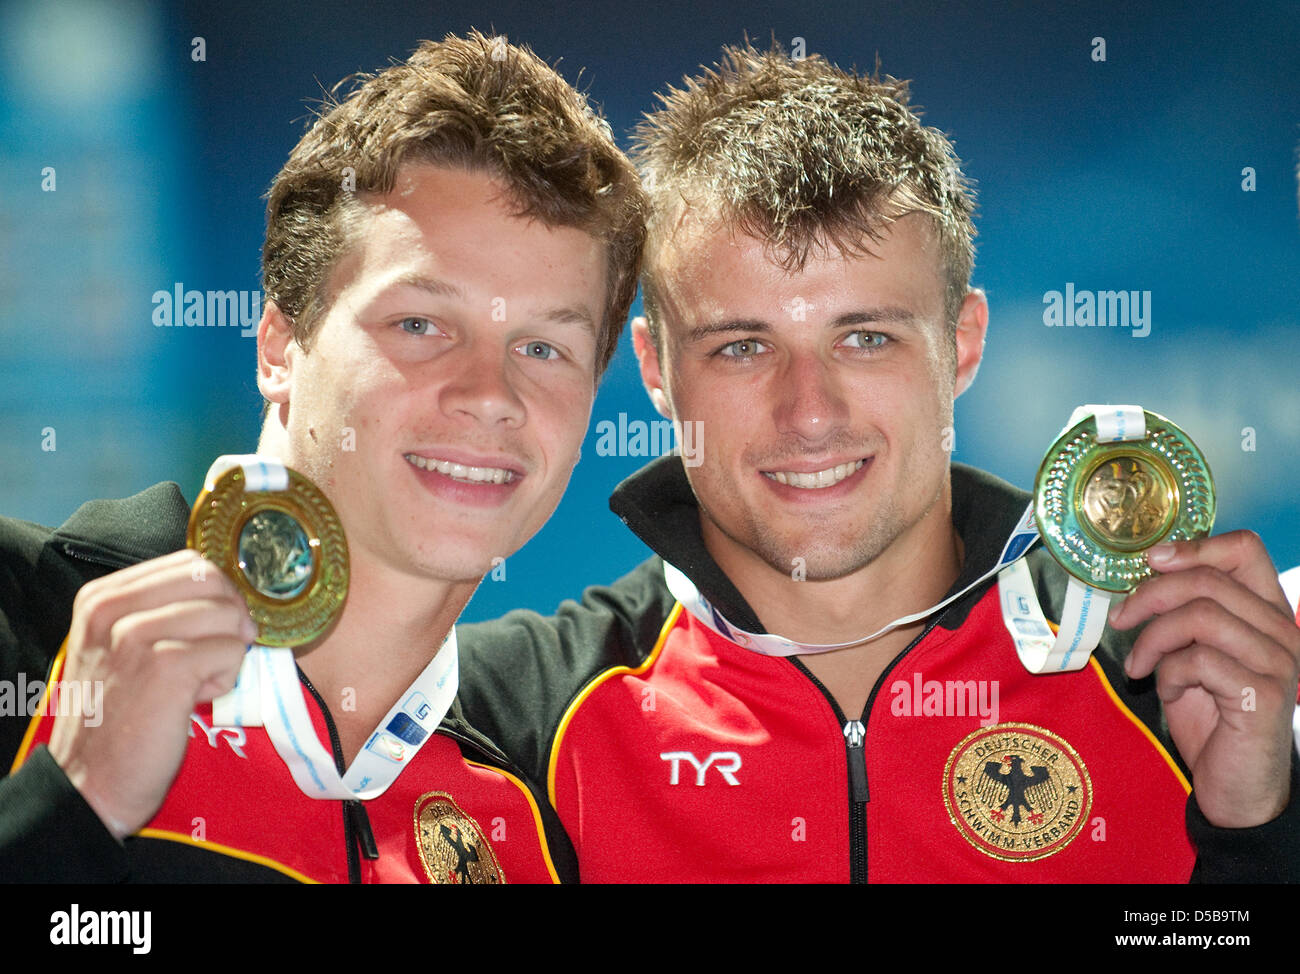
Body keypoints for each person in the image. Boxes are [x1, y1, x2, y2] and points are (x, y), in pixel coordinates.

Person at [457, 44, 1300, 882]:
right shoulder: (505, 721)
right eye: (743, 347)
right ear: (655, 369)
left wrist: (1255, 827)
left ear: (961, 345)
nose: (811, 412)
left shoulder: (1172, 680)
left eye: (866, 338)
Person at [0, 31, 645, 883]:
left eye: (543, 348)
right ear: (278, 344)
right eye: (420, 325)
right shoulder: (25, 621)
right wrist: (72, 804)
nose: (490, 393)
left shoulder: (524, 823)